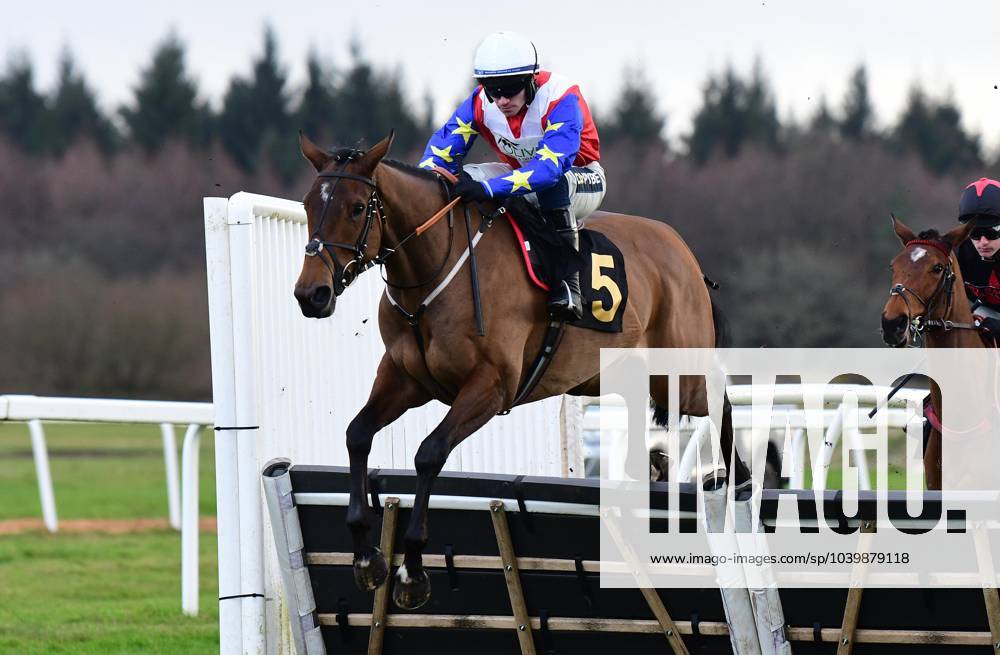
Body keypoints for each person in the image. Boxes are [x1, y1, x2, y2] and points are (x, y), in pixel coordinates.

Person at [417, 31, 606, 321]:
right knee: (461, 178)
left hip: (579, 176)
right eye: (494, 91)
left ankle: (569, 283)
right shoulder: (480, 103)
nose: (502, 100)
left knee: (549, 186)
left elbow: (549, 169)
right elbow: (438, 155)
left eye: (511, 89)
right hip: (521, 174)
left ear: (531, 79)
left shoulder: (561, 97)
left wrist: (489, 189)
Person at [956, 177, 1000, 336]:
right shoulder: (960, 253)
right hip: (987, 310)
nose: (983, 242)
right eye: (974, 234)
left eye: (991, 233)